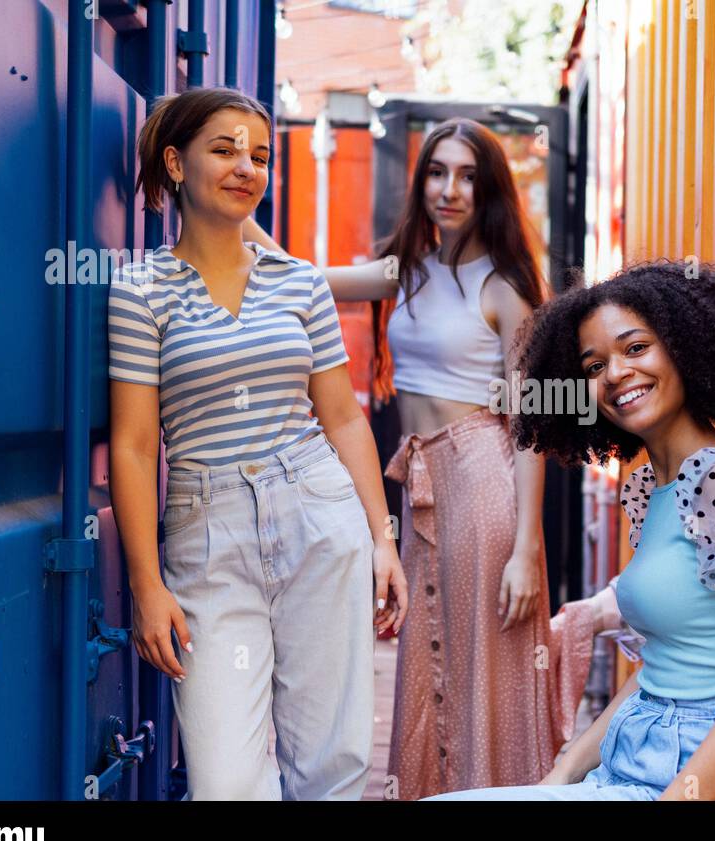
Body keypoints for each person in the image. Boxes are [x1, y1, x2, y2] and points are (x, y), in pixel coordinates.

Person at [243, 118, 616, 799]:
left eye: (469, 176)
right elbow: (298, 276)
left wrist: (527, 547)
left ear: (491, 190)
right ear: (421, 183)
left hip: (484, 488)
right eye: (438, 172)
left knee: (487, 669)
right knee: (430, 660)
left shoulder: (503, 288)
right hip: (423, 490)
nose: (450, 189)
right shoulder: (404, 272)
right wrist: (233, 203)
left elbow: (529, 418)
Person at [107, 87, 407, 801]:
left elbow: (341, 418)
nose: (246, 166)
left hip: (316, 509)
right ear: (175, 164)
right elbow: (135, 444)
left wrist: (381, 538)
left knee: (332, 768)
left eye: (260, 155)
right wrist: (147, 586)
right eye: (225, 149)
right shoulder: (139, 289)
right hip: (207, 533)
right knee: (225, 784)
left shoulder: (299, 282)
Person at [425, 259, 715, 800]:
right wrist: (561, 776)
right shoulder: (652, 489)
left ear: (685, 345)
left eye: (636, 348)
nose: (614, 375)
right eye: (593, 366)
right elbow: (658, 672)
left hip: (700, 778)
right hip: (631, 761)